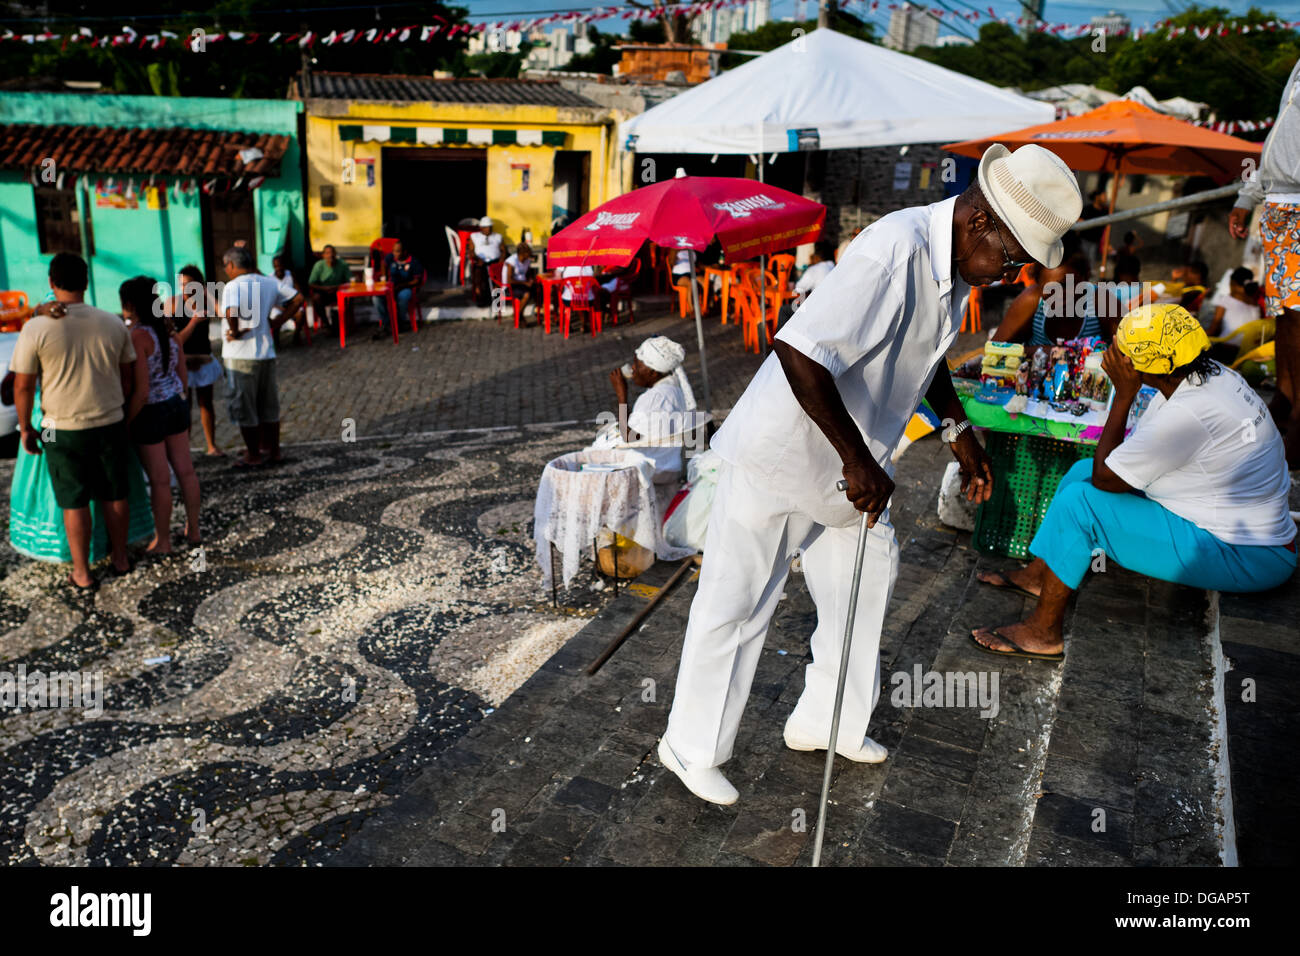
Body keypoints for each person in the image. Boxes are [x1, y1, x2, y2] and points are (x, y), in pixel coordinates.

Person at [657, 143, 1082, 805]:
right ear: (980, 223)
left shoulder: (955, 264)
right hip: (787, 453)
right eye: (1014, 257)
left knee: (864, 587)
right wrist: (856, 458)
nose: (1011, 273)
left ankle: (827, 723)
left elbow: (928, 355)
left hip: (854, 462)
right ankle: (690, 747)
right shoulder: (894, 250)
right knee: (739, 605)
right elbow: (799, 349)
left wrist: (957, 428)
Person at [972, 304, 1296, 661]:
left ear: (1145, 365)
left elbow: (1106, 478)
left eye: (1121, 350)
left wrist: (1123, 394)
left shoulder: (1190, 412)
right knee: (1080, 472)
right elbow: (1107, 468)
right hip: (1243, 535)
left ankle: (1044, 632)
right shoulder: (1209, 374)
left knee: (1082, 504)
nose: (1112, 355)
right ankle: (1038, 576)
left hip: (1247, 555)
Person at [9, 253, 138, 588]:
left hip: (56, 430)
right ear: (87, 281)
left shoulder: (36, 328)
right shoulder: (112, 322)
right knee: (114, 493)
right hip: (110, 422)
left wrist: (25, 428)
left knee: (72, 497)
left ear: (52, 283)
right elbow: (127, 378)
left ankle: (82, 572)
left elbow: (23, 385)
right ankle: (121, 558)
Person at [1229, 55, 1300, 467]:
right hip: (1278, 206)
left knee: (1299, 316)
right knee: (1287, 316)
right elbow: (1277, 139)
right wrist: (1247, 196)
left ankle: (1296, 416)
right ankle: (1286, 405)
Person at [120, 277, 201, 554]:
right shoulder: (168, 329)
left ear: (130, 304)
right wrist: (182, 401)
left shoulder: (137, 336)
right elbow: (182, 376)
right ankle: (194, 530)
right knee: (186, 471)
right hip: (175, 404)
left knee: (159, 480)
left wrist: (126, 421)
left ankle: (163, 541)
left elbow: (141, 391)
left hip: (151, 411)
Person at [219, 245, 304, 468]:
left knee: (245, 406)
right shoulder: (268, 282)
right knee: (268, 405)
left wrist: (235, 331)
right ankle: (273, 450)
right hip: (265, 352)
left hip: (241, 354)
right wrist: (279, 321)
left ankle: (253, 453)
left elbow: (231, 312)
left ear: (230, 265)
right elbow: (298, 298)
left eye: (225, 266)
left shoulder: (232, 286)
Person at [593, 336, 697, 480]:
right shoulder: (673, 388)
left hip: (655, 467)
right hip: (667, 463)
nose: (633, 368)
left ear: (653, 372)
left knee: (591, 459)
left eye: (637, 364)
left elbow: (630, 437)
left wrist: (621, 395)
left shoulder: (656, 398)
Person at [994, 234, 1108, 345]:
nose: (1058, 296)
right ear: (1038, 284)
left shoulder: (1100, 300)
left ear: (1085, 277)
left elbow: (1124, 350)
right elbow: (994, 350)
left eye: (1065, 285)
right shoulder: (1031, 301)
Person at [168, 264, 224, 457]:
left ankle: (211, 446)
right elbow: (175, 341)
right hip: (182, 363)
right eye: (182, 285)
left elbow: (223, 312)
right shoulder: (172, 304)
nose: (185, 289)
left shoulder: (205, 303)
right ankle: (185, 450)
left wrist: (207, 294)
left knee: (206, 404)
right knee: (185, 406)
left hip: (203, 361)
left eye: (190, 285)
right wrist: (193, 322)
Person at [376, 239, 424, 340]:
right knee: (377, 297)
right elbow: (383, 264)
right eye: (393, 251)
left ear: (404, 252)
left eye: (397, 251)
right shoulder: (390, 257)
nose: (394, 253)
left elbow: (416, 280)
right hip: (391, 286)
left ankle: (400, 322)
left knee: (404, 296)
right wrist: (384, 276)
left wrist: (402, 286)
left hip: (406, 287)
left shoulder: (414, 262)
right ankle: (386, 323)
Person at [307, 245, 352, 327]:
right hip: (324, 293)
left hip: (339, 292)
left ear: (335, 254)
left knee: (349, 298)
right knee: (316, 298)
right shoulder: (319, 265)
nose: (330, 255)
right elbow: (311, 283)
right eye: (327, 253)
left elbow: (350, 281)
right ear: (323, 255)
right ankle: (326, 324)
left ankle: (346, 324)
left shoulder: (342, 264)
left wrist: (337, 287)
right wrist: (324, 288)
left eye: (332, 253)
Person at [470, 216, 504, 306]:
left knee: (498, 280)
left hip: (495, 261)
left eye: (489, 226)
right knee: (478, 278)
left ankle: (497, 303)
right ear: (481, 227)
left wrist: (501, 261)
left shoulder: (498, 236)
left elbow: (503, 250)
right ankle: (480, 299)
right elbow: (471, 251)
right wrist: (478, 259)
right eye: (485, 227)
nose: (488, 229)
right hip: (481, 262)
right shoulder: (474, 236)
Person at [502, 243, 539, 318]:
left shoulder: (527, 260)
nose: (530, 253)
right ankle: (518, 316)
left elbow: (528, 273)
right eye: (528, 252)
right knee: (527, 295)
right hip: (510, 287)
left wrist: (530, 279)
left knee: (539, 289)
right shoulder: (511, 262)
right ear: (522, 253)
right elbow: (509, 280)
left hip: (522, 284)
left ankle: (539, 313)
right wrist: (525, 283)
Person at [793, 240, 835, 306]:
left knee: (784, 310)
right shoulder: (832, 265)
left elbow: (799, 288)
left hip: (818, 306)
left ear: (816, 256)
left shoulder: (813, 270)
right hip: (832, 303)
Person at [1077, 187, 1109, 265]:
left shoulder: (1105, 211)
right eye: (1104, 195)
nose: (1106, 198)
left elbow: (1106, 228)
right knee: (1078, 264)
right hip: (1084, 241)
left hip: (1095, 243)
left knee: (1090, 265)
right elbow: (1079, 223)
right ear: (1097, 197)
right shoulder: (1087, 209)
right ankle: (1071, 278)